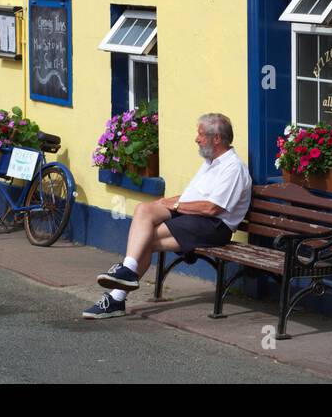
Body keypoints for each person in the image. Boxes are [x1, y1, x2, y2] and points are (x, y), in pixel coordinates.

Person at [83, 113, 252, 319]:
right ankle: (127, 271)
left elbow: (212, 208)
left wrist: (176, 204)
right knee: (144, 210)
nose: (196, 139)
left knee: (146, 239)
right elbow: (192, 196)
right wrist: (163, 202)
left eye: (200, 134)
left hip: (214, 226)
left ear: (216, 138)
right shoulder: (210, 162)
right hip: (193, 216)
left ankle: (117, 297)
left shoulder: (233, 168)